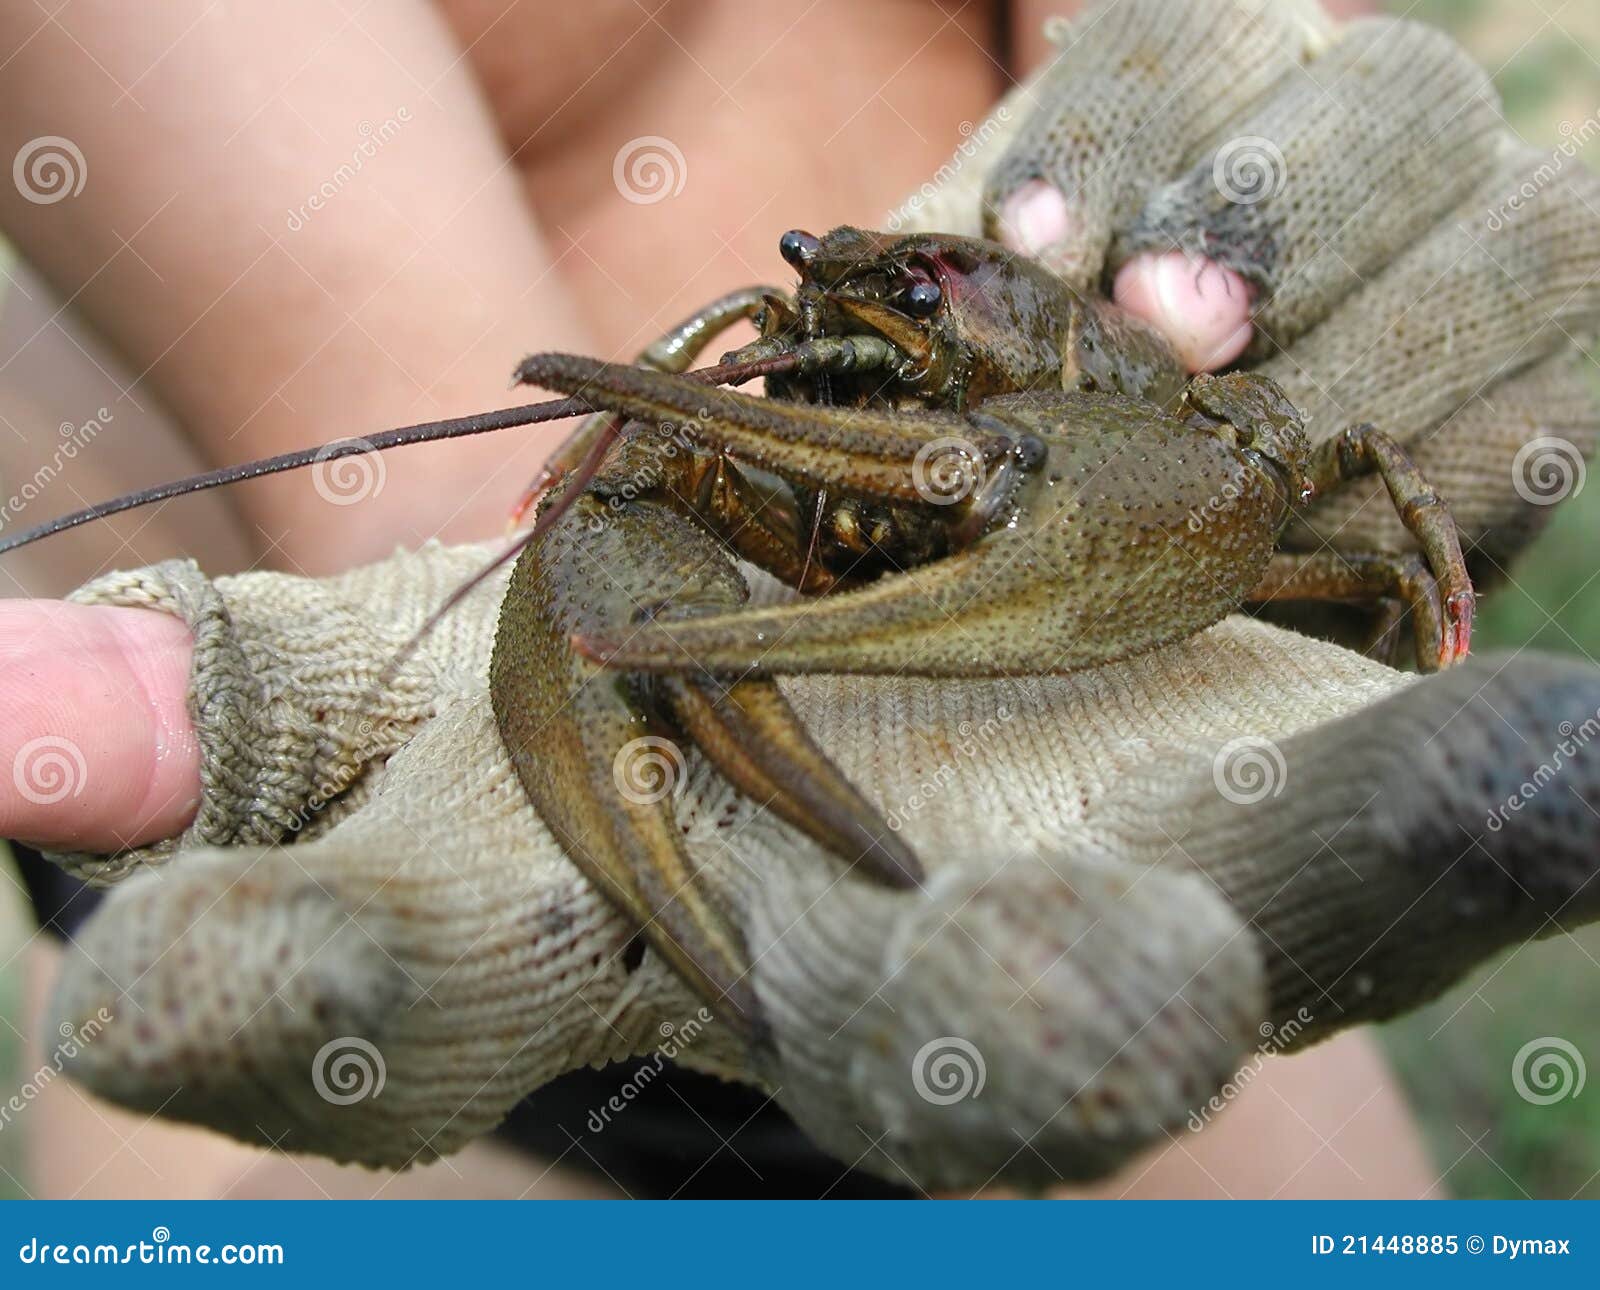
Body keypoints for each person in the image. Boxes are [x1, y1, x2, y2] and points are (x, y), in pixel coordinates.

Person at [0, 0, 1436, 1198]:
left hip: (1118, 828)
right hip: (379, 813)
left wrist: (1241, 80)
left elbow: (1259, 64)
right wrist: (531, 472)